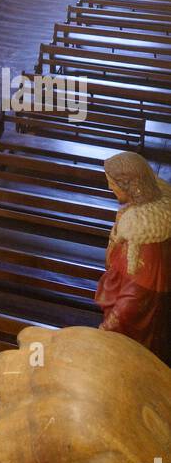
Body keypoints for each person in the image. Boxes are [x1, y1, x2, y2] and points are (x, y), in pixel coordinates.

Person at [96, 151, 171, 364]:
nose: (110, 188)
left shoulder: (146, 233)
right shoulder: (137, 216)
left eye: (113, 184)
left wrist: (109, 325)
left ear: (130, 185)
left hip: (135, 328)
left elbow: (135, 295)